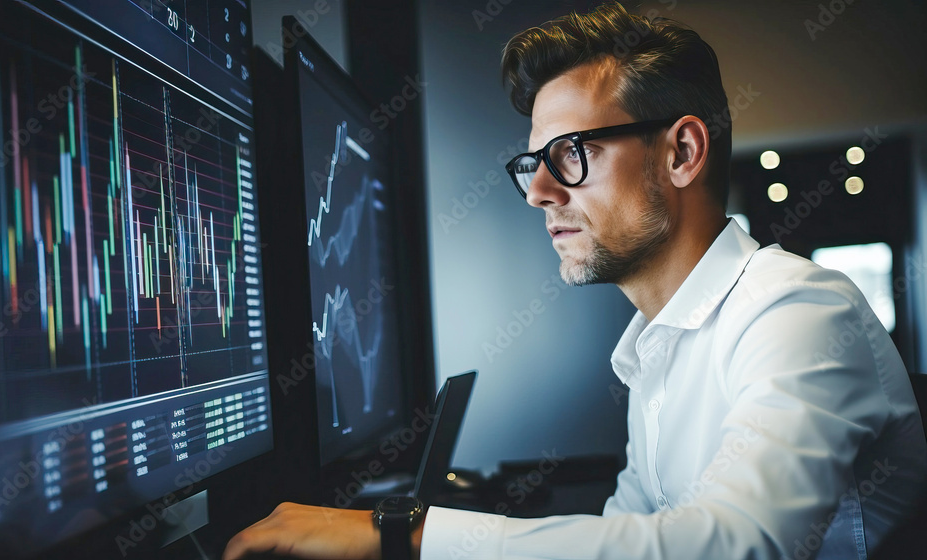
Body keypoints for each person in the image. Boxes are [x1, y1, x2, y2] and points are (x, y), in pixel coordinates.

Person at [223, 3, 927, 559]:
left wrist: (401, 535)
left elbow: (731, 546)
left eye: (571, 153)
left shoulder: (798, 312)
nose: (538, 193)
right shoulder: (656, 345)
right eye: (534, 163)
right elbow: (634, 530)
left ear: (681, 151)